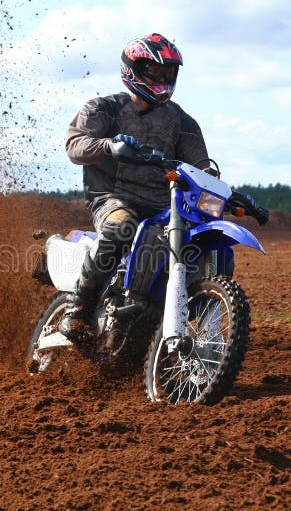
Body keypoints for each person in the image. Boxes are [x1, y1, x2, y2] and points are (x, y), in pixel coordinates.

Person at [59, 32, 210, 342]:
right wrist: (108, 146)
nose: (163, 77)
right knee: (119, 228)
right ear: (134, 68)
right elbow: (74, 145)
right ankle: (79, 311)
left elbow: (202, 167)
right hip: (113, 198)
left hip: (164, 206)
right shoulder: (104, 109)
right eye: (156, 71)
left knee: (206, 244)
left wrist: (228, 193)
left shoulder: (183, 122)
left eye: (168, 72)